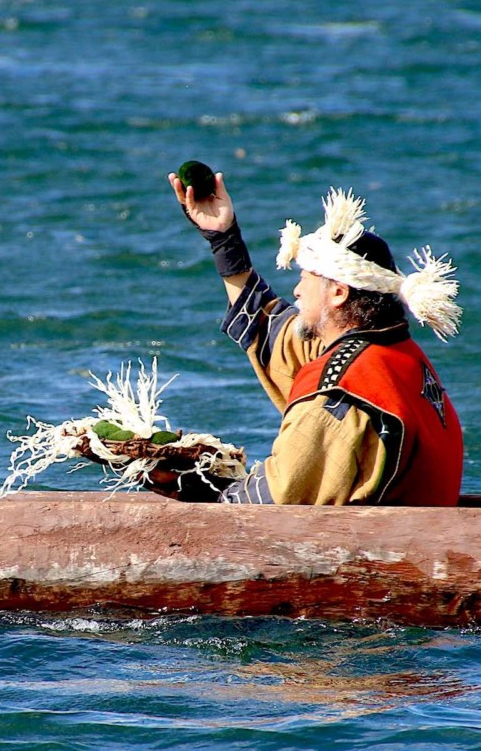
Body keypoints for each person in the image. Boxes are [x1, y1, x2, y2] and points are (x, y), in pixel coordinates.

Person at [164, 170, 463, 505]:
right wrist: (222, 238)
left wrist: (189, 485)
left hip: (390, 553)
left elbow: (274, 499)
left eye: (305, 277)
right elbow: (270, 328)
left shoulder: (339, 392)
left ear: (337, 292)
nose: (296, 290)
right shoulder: (392, 350)